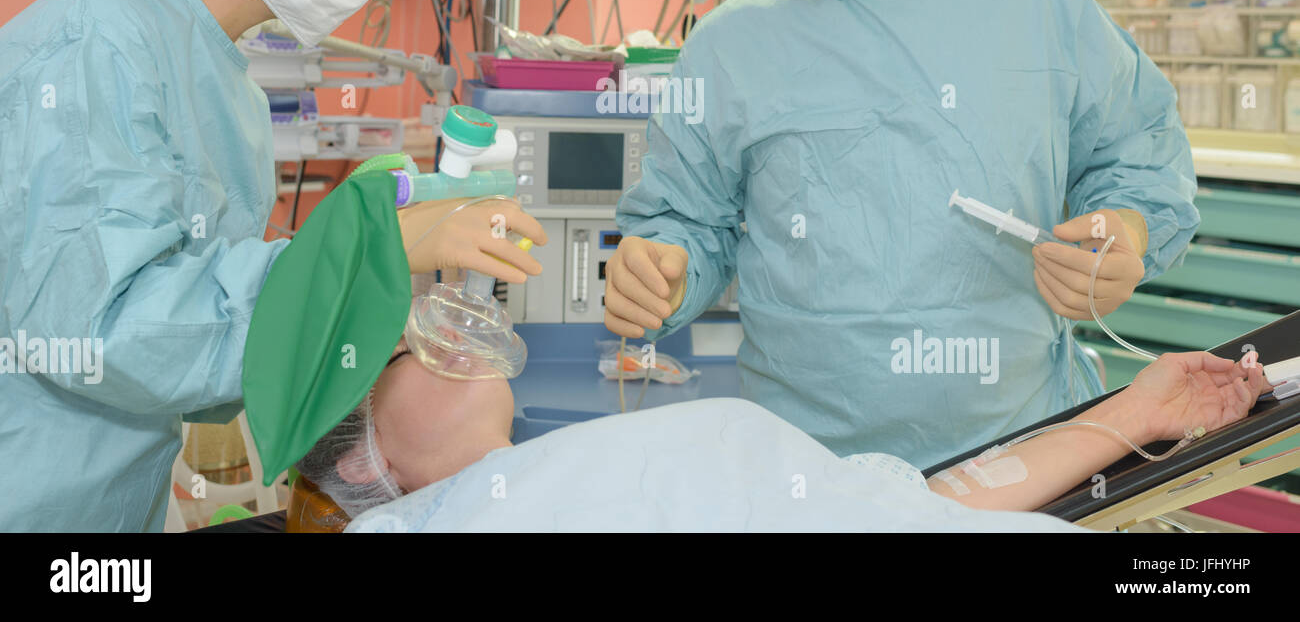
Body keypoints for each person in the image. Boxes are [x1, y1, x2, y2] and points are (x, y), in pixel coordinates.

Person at [603, 0, 1200, 470]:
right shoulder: (730, 41)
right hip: (809, 470)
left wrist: (1125, 232)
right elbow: (686, 221)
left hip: (1023, 453)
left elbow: (1139, 152)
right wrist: (662, 270)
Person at [0, 0, 544, 532]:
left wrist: (369, 295)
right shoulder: (97, 48)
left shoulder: (222, 77)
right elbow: (102, 330)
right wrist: (361, 254)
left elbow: (197, 317)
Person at [296, 333, 1268, 531]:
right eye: (401, 355)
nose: (442, 338)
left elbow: (908, 505)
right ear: (362, 459)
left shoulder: (573, 463)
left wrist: (1136, 413)